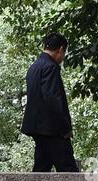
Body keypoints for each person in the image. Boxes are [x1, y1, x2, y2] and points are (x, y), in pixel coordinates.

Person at [21, 32, 77, 173]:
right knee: (69, 171)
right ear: (61, 49)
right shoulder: (51, 67)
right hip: (52, 129)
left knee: (41, 171)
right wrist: (65, 128)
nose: (63, 58)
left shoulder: (34, 68)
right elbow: (53, 99)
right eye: (64, 53)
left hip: (37, 128)